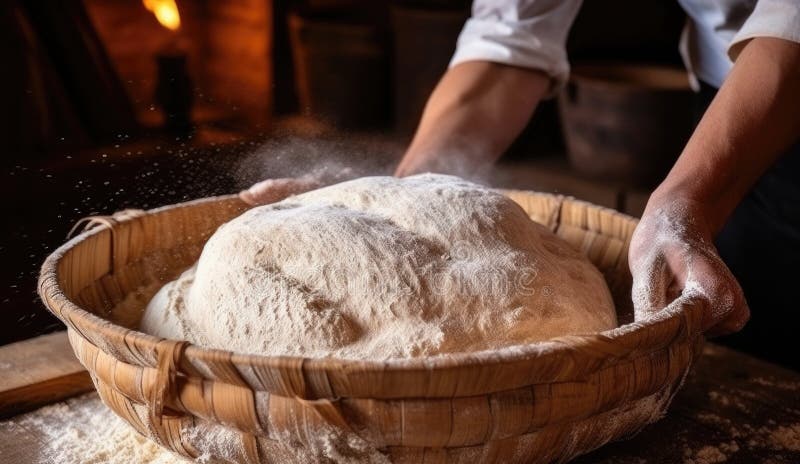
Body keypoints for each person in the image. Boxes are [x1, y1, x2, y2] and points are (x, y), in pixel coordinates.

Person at [241, 1, 800, 367]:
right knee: (750, 340)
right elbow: (511, 37)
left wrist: (684, 200)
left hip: (781, 78)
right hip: (732, 97)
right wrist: (402, 195)